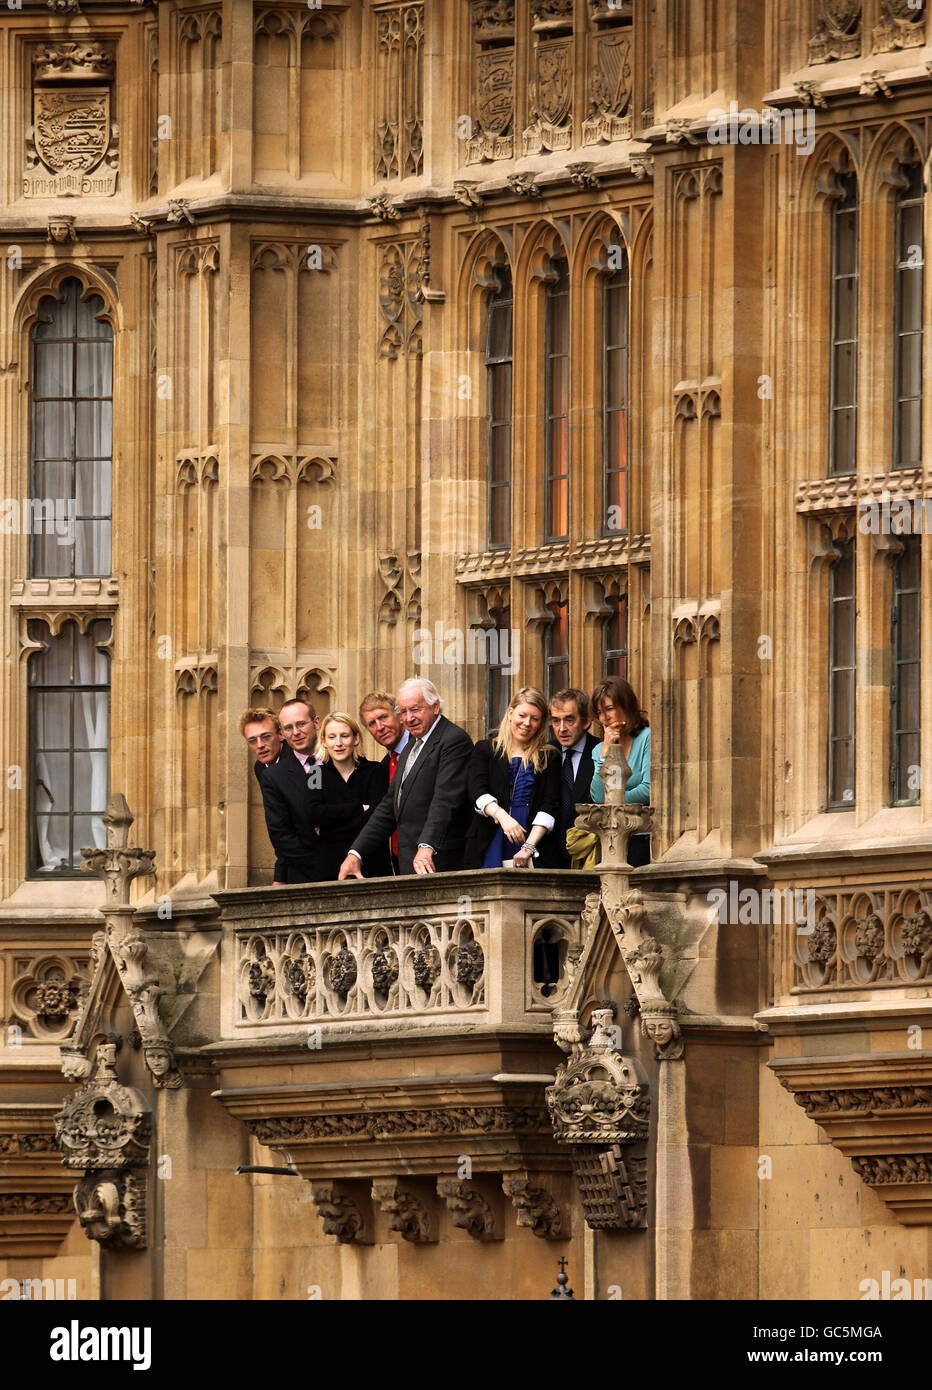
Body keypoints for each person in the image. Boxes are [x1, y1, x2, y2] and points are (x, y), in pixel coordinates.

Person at [338, 678, 473, 877]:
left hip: (439, 861)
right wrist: (356, 853)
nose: (408, 718)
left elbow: (445, 800)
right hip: (410, 862)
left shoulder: (453, 740)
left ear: (435, 707)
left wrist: (427, 846)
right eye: (404, 711)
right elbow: (389, 806)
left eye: (415, 710)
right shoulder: (413, 743)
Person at [463, 687, 562, 869]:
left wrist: (529, 847)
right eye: (522, 715)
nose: (527, 723)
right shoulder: (485, 749)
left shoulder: (550, 756)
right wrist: (502, 816)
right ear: (510, 713)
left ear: (540, 724)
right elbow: (476, 790)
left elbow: (550, 804)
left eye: (535, 719)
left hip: (533, 837)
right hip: (491, 835)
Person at [305, 713, 391, 879]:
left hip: (372, 862)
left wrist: (329, 828)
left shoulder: (376, 771)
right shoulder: (314, 773)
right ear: (323, 741)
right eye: (332, 737)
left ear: (356, 739)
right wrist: (358, 808)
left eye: (344, 736)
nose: (338, 743)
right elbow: (312, 814)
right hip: (330, 866)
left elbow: (377, 817)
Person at [259, 698, 323, 883]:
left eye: (301, 724)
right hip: (304, 875)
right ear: (282, 733)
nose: (296, 732)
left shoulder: (340, 757)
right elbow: (280, 834)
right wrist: (319, 867)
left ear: (316, 722)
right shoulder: (273, 776)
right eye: (288, 728)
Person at [589, 676, 651, 868]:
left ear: (627, 706)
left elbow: (648, 789)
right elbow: (599, 796)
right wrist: (606, 751)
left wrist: (614, 801)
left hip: (644, 836)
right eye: (600, 712)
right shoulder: (600, 749)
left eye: (609, 709)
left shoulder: (646, 738)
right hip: (613, 838)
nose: (604, 718)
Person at [359, 691, 410, 874]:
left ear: (399, 715)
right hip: (398, 859)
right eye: (371, 723)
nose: (379, 727)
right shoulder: (383, 766)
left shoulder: (421, 748)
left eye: (383, 717)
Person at [548, 687, 600, 868]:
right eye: (555, 721)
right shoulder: (545, 753)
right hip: (550, 857)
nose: (562, 729)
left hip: (589, 855)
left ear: (586, 721)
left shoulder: (602, 751)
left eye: (569, 720)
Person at [239, 706, 287, 884]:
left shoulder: (299, 761)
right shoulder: (261, 768)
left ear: (280, 735)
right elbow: (277, 822)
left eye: (266, 737)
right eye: (252, 740)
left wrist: (281, 875)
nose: (260, 745)